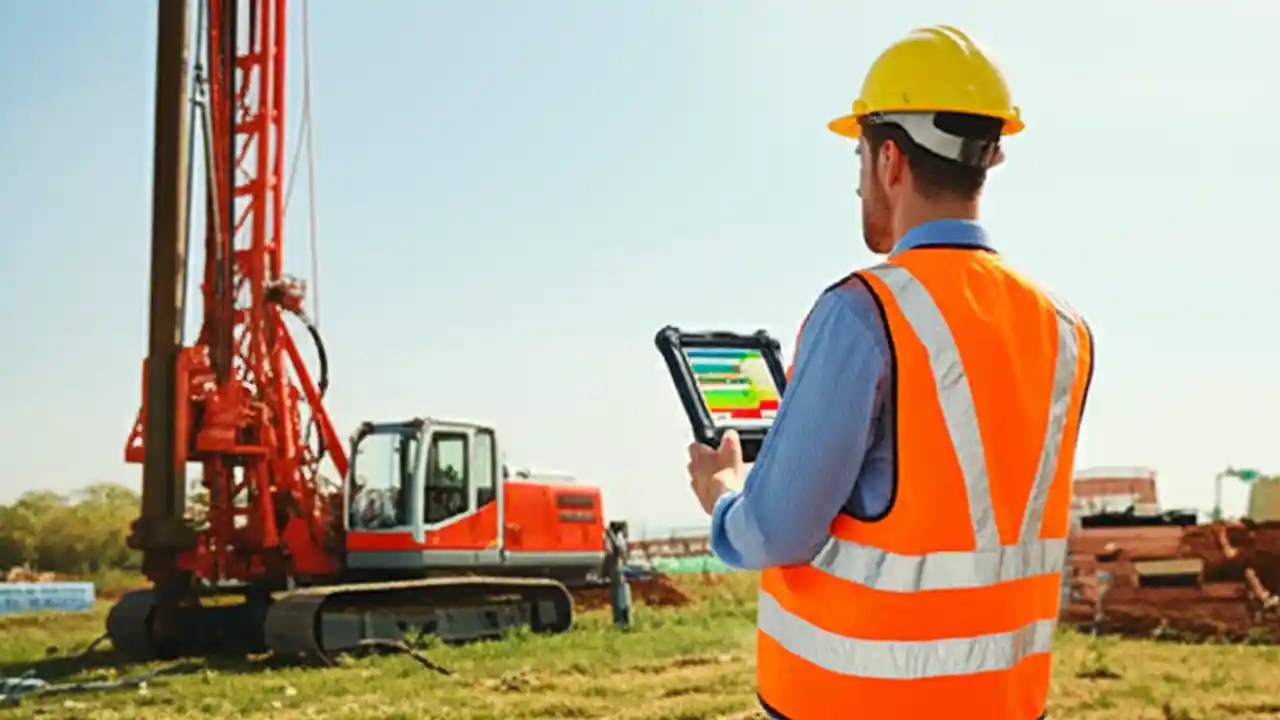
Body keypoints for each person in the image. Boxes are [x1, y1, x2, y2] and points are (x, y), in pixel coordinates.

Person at [685, 25, 1095, 720]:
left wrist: (724, 494)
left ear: (890, 161)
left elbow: (778, 531)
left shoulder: (862, 312)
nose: (856, 182)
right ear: (989, 157)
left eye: (858, 155)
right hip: (1006, 703)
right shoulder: (1065, 329)